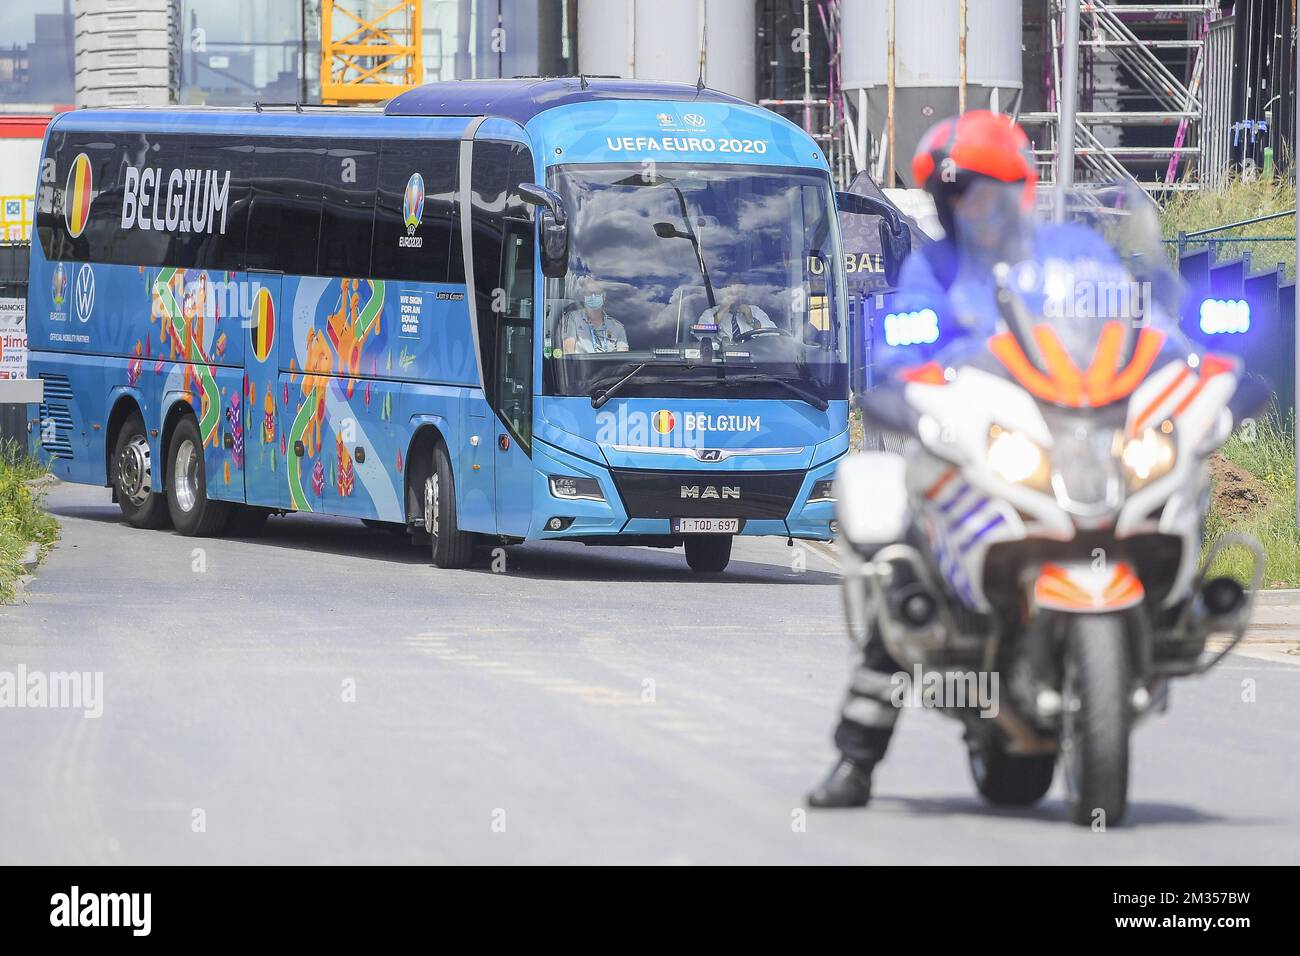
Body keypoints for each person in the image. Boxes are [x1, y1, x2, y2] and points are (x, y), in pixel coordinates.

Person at [807, 110, 1040, 809]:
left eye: (983, 191)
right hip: (969, 456)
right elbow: (901, 347)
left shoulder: (1062, 260)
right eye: (957, 194)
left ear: (1016, 191)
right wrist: (904, 379)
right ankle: (855, 764)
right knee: (903, 573)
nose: (972, 206)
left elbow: (1124, 325)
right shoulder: (934, 269)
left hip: (1059, 447)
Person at [561, 276, 629, 354]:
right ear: (583, 296)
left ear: (604, 296)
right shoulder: (572, 318)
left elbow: (623, 359)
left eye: (596, 293)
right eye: (589, 293)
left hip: (611, 366)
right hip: (582, 366)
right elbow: (568, 352)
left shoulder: (618, 327)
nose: (593, 296)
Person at [700, 282, 777, 342]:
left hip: (753, 359)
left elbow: (774, 335)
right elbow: (701, 336)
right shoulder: (711, 313)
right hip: (722, 359)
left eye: (738, 293)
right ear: (724, 294)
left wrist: (752, 321)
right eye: (731, 294)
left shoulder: (755, 311)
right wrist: (721, 313)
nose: (735, 298)